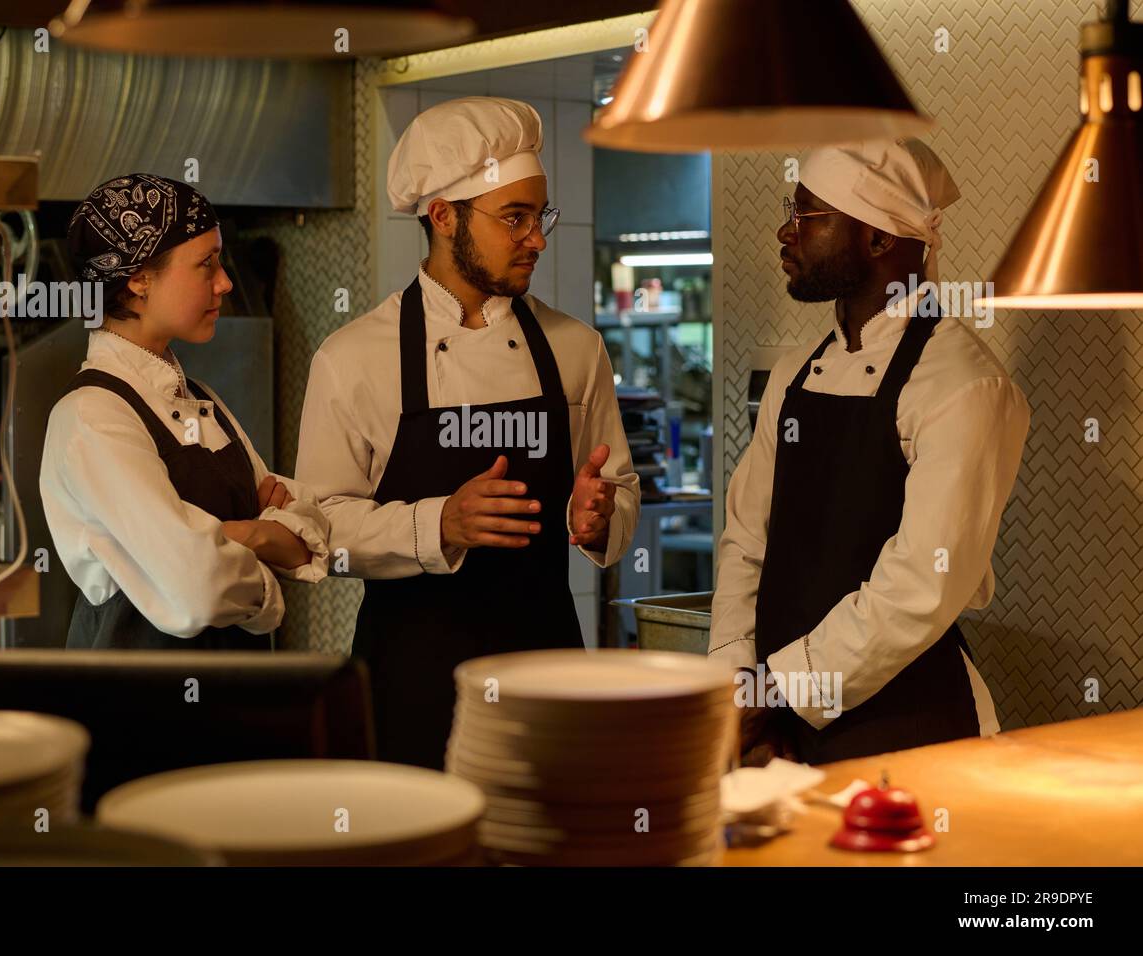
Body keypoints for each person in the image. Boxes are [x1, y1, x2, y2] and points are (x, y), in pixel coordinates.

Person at [295, 97, 640, 768]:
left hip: (546, 673)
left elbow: (620, 488)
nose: (537, 238)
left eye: (540, 216)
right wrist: (439, 524)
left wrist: (600, 519)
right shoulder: (353, 358)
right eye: (514, 218)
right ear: (443, 216)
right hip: (412, 682)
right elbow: (321, 527)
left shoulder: (575, 348)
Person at [710, 139, 1030, 764]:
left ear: (881, 240)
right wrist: (735, 684)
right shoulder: (793, 376)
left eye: (807, 216)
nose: (785, 231)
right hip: (777, 725)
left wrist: (772, 691)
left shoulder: (965, 385)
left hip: (905, 728)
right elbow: (747, 541)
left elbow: (919, 586)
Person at [41, 173, 328, 649]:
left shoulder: (201, 397)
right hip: (143, 709)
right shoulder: (91, 416)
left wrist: (235, 537)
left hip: (233, 706)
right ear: (138, 280)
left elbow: (311, 527)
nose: (225, 283)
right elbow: (199, 589)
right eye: (206, 265)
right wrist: (263, 540)